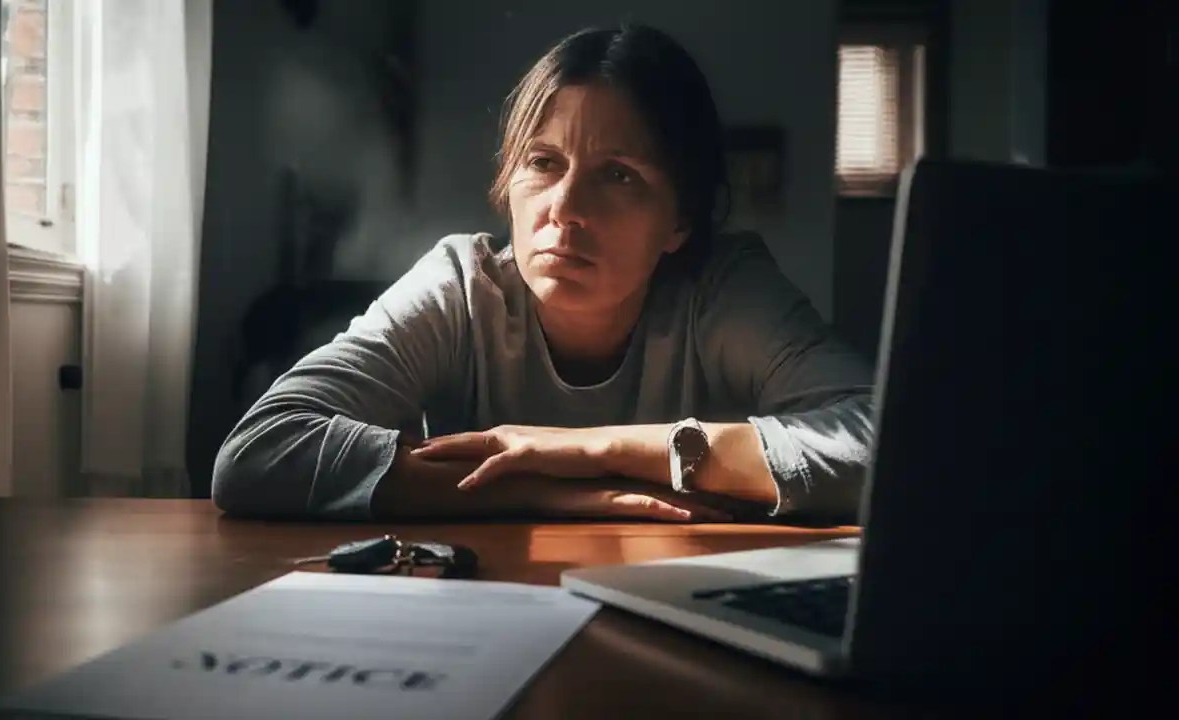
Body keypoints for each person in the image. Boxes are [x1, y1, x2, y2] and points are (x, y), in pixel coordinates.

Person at [212, 24, 874, 523]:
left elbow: (883, 442)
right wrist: (538, 489)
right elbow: (261, 450)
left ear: (680, 221)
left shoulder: (722, 290)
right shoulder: (463, 287)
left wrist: (603, 449)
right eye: (543, 162)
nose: (565, 208)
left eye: (618, 175)